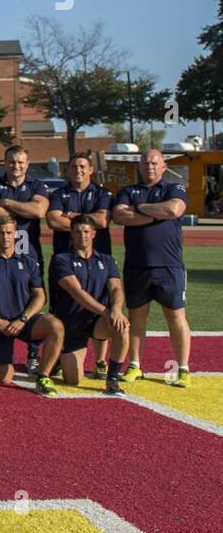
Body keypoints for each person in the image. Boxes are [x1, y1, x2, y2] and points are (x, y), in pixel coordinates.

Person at [110, 149, 192, 387]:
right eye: (145, 163)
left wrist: (140, 208)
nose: (150, 167)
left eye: (155, 163)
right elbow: (119, 216)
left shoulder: (174, 189)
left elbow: (173, 210)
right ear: (140, 166)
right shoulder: (128, 191)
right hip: (137, 266)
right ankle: (135, 365)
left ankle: (183, 368)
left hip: (170, 265)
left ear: (163, 166)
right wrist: (156, 213)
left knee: (176, 316)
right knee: (137, 318)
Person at [45, 151, 113, 376]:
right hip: (65, 259)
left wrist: (72, 216)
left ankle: (101, 360)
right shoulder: (58, 193)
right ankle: (57, 355)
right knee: (61, 308)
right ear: (68, 169)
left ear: (90, 169)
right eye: (74, 167)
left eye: (83, 166)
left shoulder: (103, 193)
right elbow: (53, 220)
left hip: (97, 259)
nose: (78, 170)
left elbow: (102, 220)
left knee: (103, 306)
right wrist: (87, 218)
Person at [0, 217, 62, 387]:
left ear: (16, 234)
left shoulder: (29, 262)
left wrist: (23, 319)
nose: (5, 236)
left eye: (9, 232)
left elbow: (40, 295)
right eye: (1, 233)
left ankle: (44, 375)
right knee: (4, 377)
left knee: (55, 325)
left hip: (24, 320)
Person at [47, 215, 130, 396]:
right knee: (73, 380)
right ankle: (59, 357)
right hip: (71, 324)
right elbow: (77, 293)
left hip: (96, 321)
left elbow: (116, 287)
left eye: (86, 231)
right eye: (77, 232)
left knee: (122, 327)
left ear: (94, 234)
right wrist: (108, 312)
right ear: (71, 234)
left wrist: (116, 310)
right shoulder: (61, 260)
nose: (82, 236)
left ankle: (113, 379)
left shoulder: (107, 260)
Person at [0, 144, 51, 261]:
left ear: (27, 164)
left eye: (20, 162)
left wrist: (7, 203)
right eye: (12, 162)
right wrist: (26, 210)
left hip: (30, 252)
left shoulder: (37, 185)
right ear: (5, 163)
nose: (16, 166)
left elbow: (39, 211)